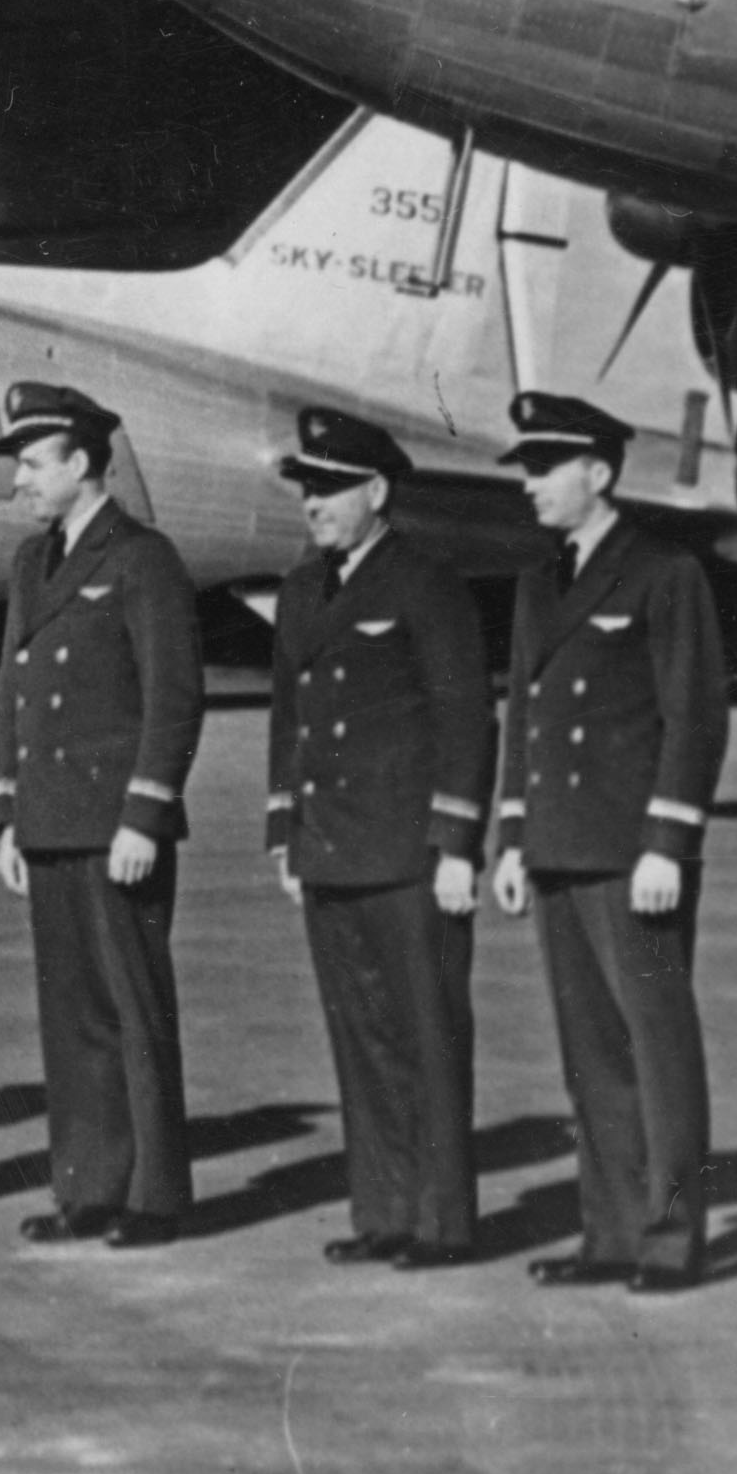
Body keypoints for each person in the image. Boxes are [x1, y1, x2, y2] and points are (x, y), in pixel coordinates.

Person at [489, 391, 728, 1295]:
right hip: (557, 846)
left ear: (599, 471)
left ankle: (670, 1240)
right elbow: (525, 719)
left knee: (658, 1052)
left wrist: (669, 840)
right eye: (527, 468)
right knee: (591, 1056)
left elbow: (692, 716)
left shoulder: (665, 574)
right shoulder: (537, 583)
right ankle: (612, 1235)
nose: (532, 486)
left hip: (634, 855)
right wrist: (511, 838)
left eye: (547, 467)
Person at [260, 407, 496, 1270]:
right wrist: (286, 830)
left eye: (328, 487)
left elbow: (466, 717)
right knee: (360, 1038)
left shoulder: (424, 583)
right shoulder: (300, 589)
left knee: (427, 1037)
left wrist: (457, 845)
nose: (312, 504)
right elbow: (290, 715)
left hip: (408, 857)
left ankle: (442, 1222)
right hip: (331, 851)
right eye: (305, 488)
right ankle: (383, 1212)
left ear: (377, 491)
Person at [0, 381, 205, 1248]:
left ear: (81, 461)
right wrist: (7, 812)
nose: (20, 483)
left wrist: (144, 817)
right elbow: (14, 691)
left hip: (117, 832)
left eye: (33, 464)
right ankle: (87, 1188)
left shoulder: (141, 557)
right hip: (49, 825)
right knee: (71, 1018)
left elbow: (173, 698)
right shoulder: (28, 564)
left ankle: (154, 1195)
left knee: (133, 1013)